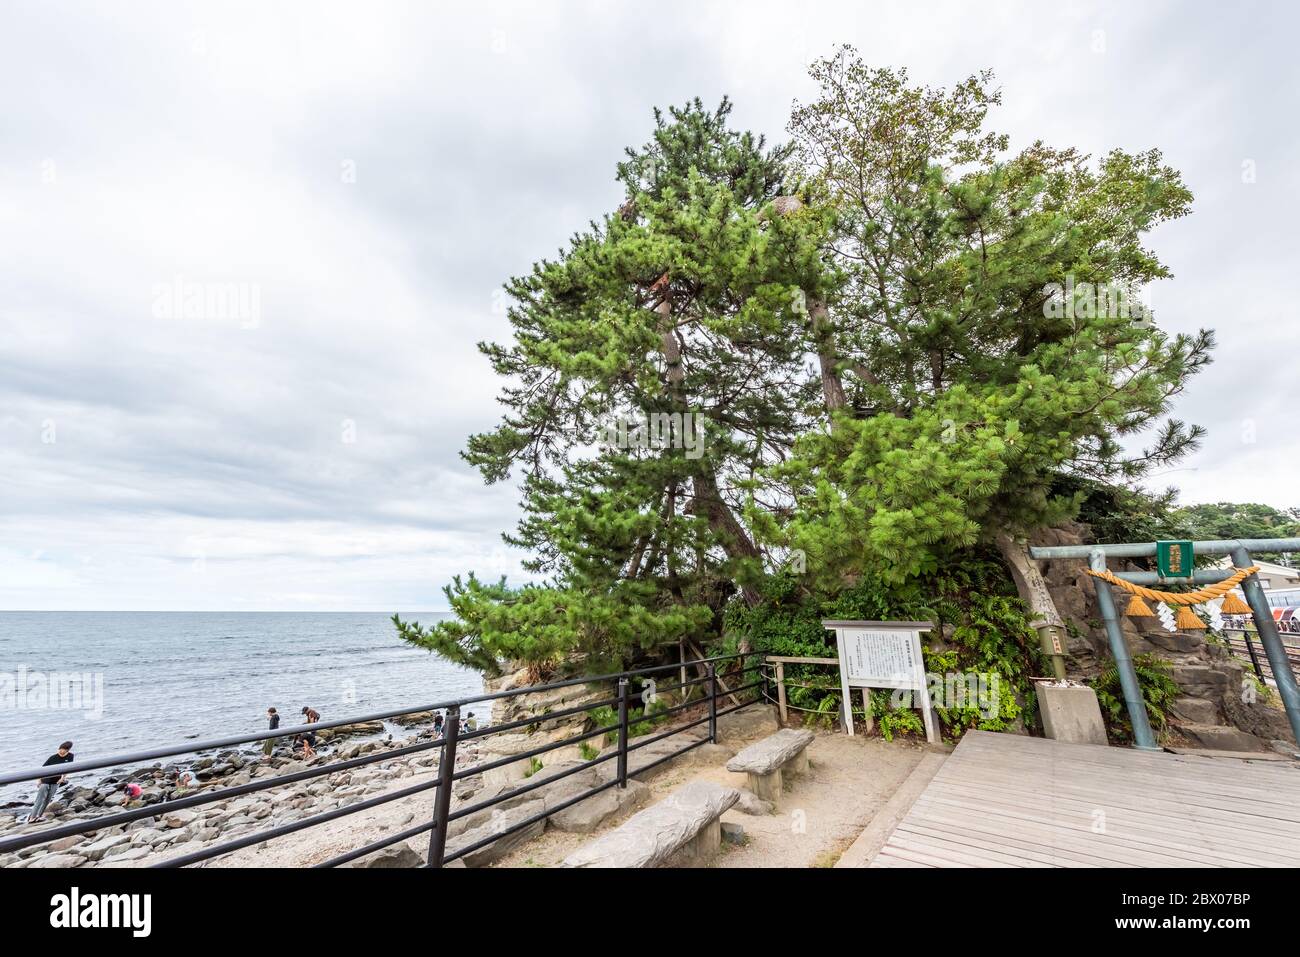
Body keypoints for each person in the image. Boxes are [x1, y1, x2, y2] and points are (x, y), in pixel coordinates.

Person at [29, 741, 75, 823]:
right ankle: (32, 818)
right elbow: (42, 769)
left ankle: (39, 816)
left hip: (56, 782)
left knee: (47, 800)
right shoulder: (53, 757)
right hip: (45, 781)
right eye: (60, 749)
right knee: (40, 800)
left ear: (67, 750)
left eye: (63, 749)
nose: (60, 751)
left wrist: (63, 778)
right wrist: (39, 781)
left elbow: (68, 768)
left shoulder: (70, 756)